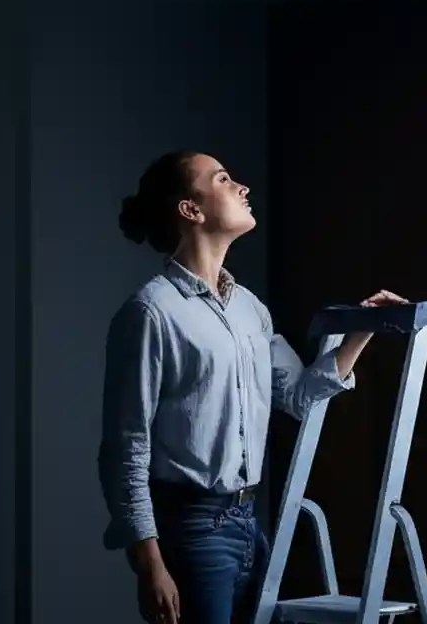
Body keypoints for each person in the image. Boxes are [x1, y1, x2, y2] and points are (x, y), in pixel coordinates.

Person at [98, 150, 408, 624]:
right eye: (223, 179)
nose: (242, 188)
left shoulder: (250, 309)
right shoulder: (151, 313)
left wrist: (363, 330)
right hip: (191, 531)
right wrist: (149, 563)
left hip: (250, 526)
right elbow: (126, 447)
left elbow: (299, 398)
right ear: (191, 209)